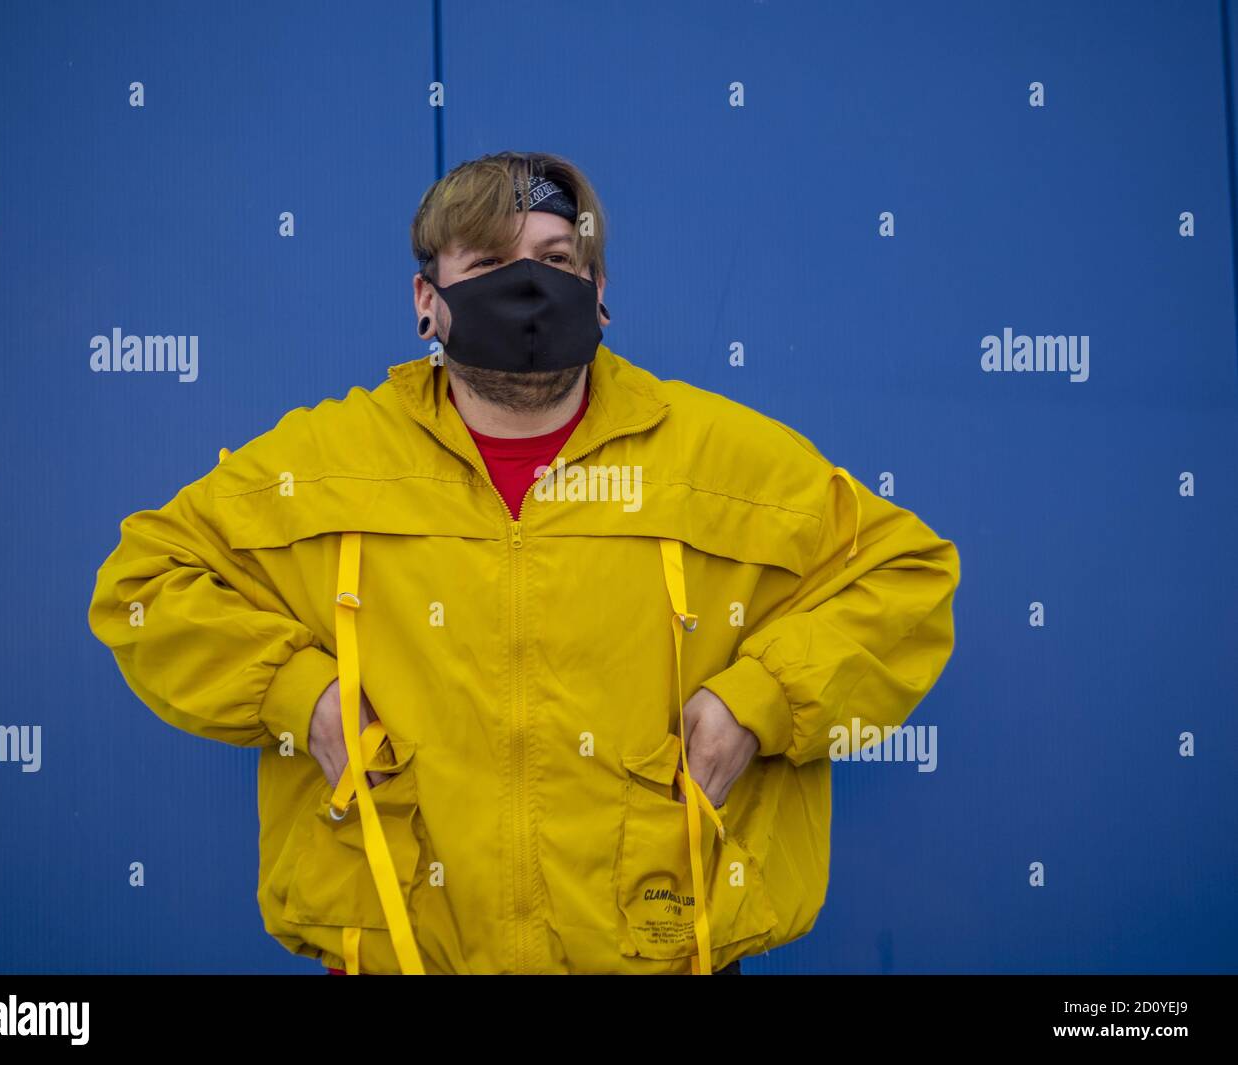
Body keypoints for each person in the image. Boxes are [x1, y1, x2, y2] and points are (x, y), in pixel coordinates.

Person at [87, 150, 960, 975]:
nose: (531, 284)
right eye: (491, 264)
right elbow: (144, 584)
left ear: (601, 292)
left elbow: (905, 577)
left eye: (556, 257)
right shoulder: (324, 459)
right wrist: (297, 694)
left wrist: (761, 698)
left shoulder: (723, 460)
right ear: (426, 301)